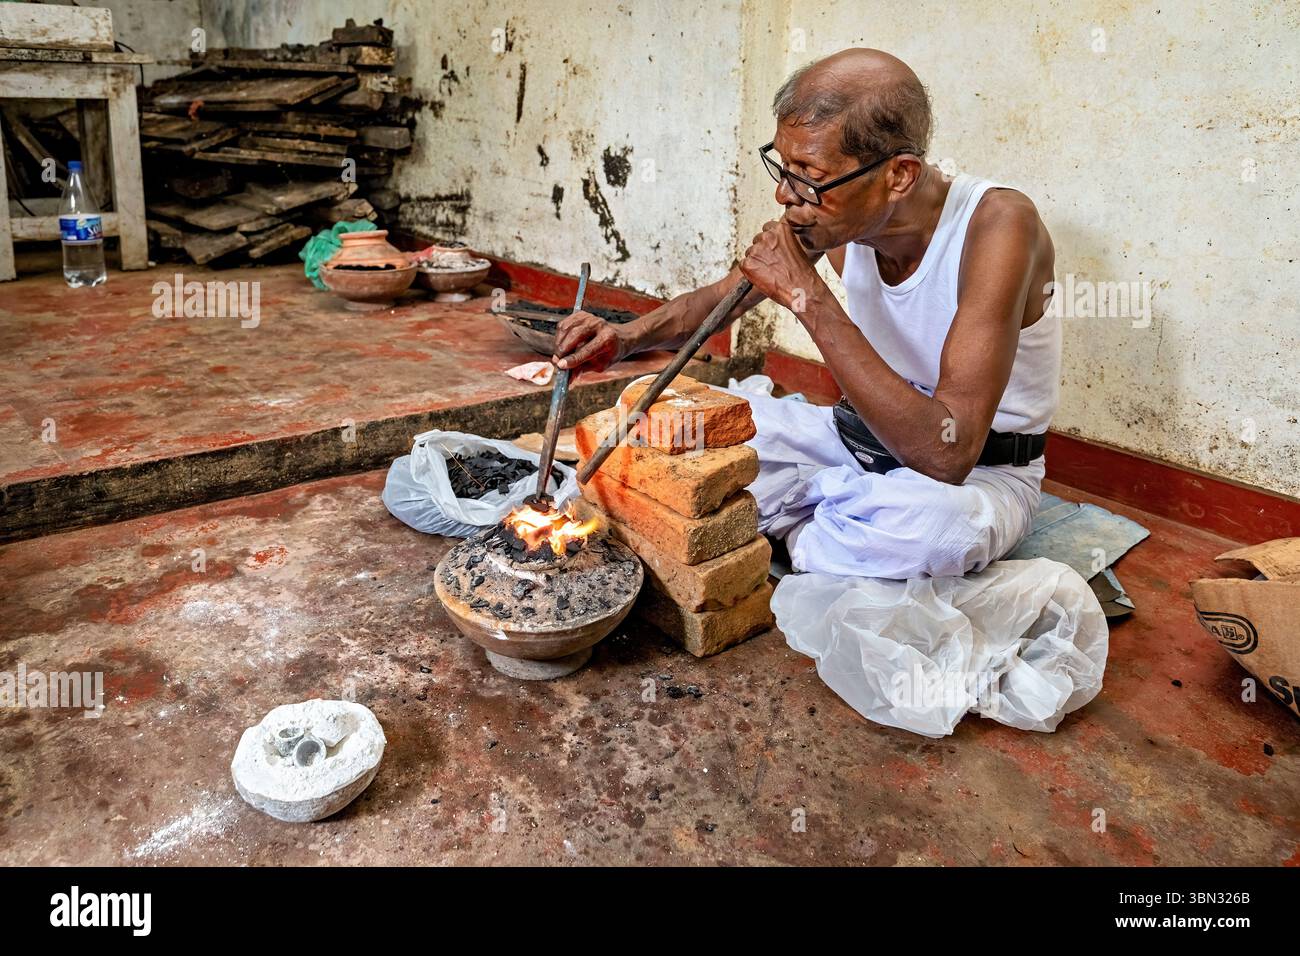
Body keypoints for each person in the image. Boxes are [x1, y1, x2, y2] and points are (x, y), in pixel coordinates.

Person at [553, 49, 1060, 579]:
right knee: (657, 434)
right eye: (784, 166)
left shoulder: (998, 227)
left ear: (900, 175)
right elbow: (720, 301)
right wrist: (622, 337)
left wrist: (805, 295)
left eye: (808, 175)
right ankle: (821, 518)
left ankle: (793, 517)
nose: (784, 193)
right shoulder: (827, 212)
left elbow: (946, 454)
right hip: (849, 438)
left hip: (975, 476)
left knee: (929, 531)